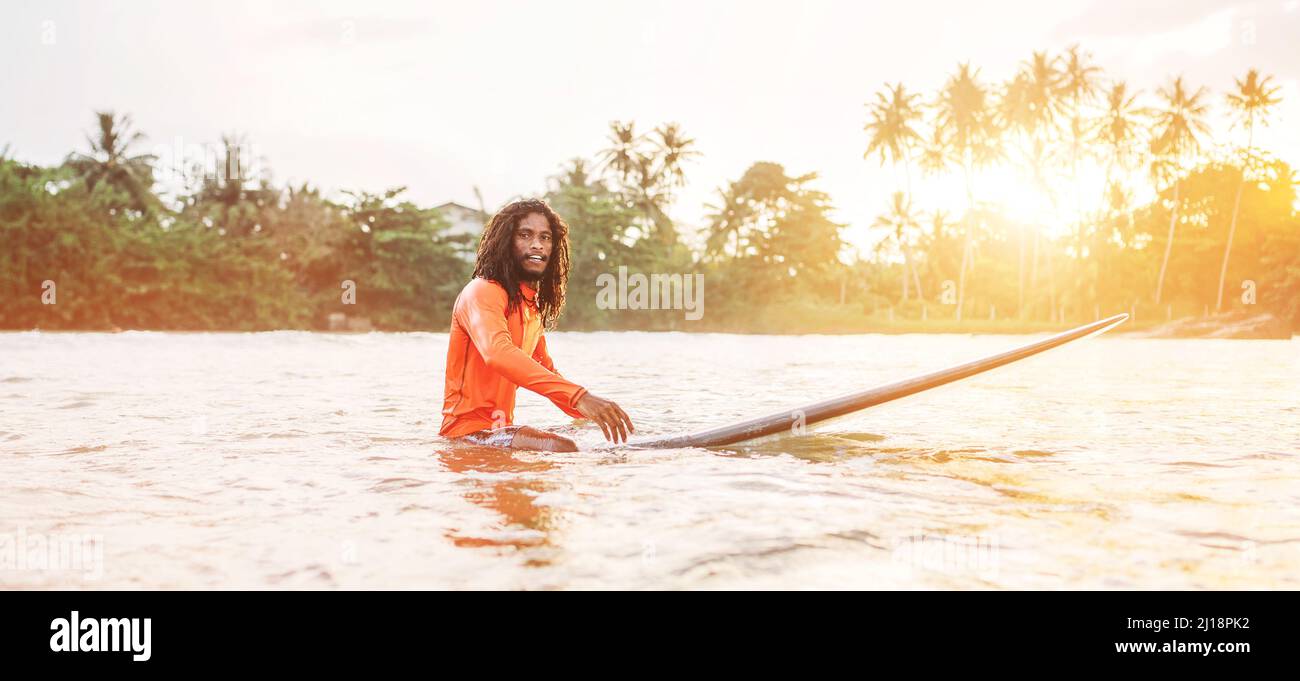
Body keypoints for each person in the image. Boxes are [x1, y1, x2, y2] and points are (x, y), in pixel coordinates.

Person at [439, 198, 634, 452]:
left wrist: (596, 414)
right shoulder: (482, 292)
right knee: (560, 446)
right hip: (464, 435)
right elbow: (497, 352)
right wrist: (580, 396)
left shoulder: (530, 307)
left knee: (575, 436)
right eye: (525, 235)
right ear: (506, 241)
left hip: (499, 433)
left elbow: (546, 372)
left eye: (545, 237)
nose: (537, 245)